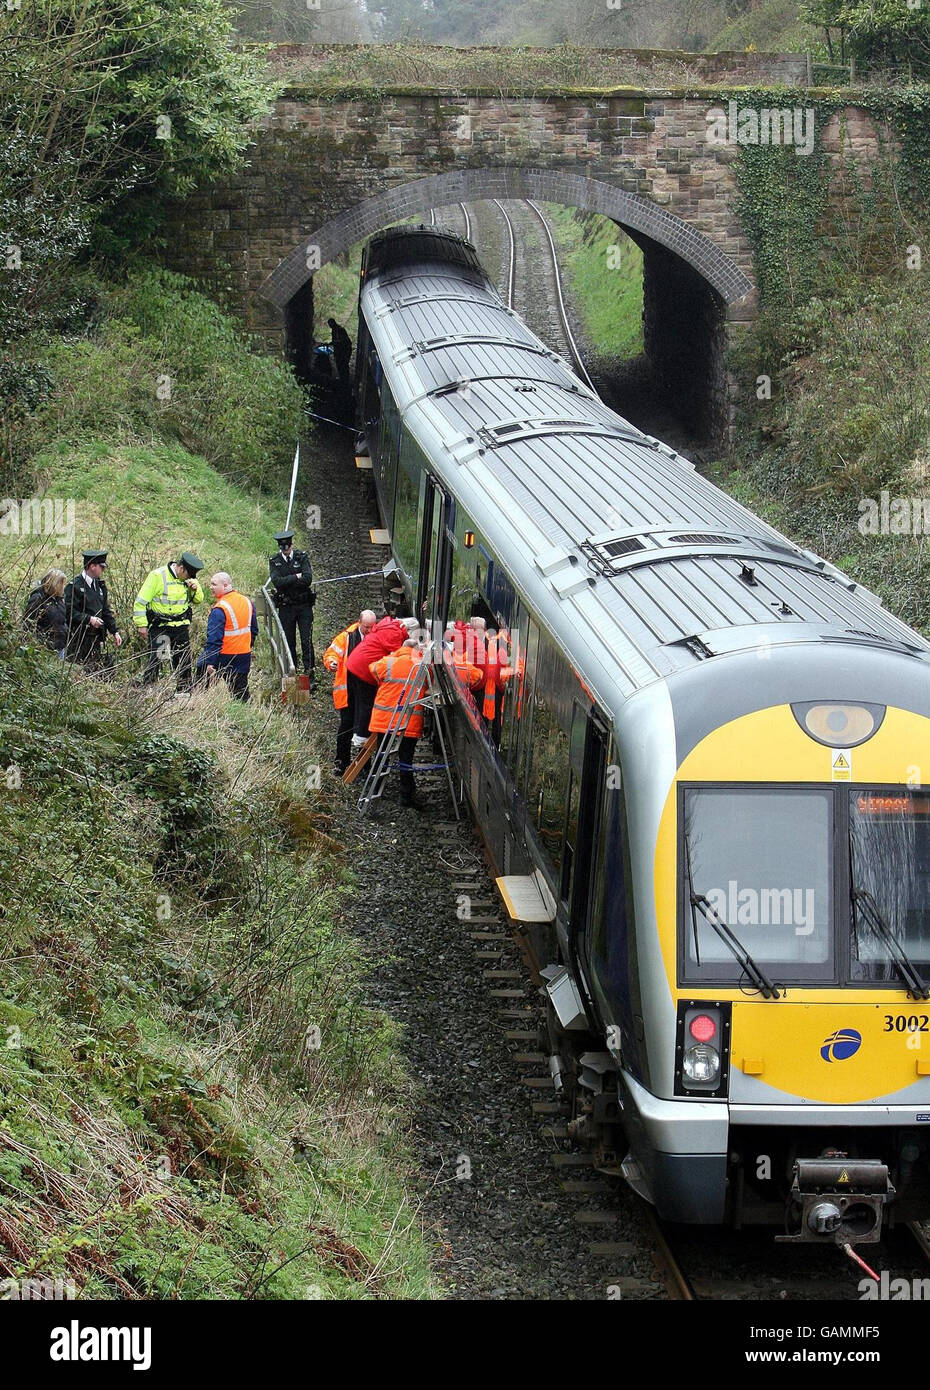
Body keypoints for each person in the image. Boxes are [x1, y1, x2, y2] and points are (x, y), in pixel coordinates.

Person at [369, 632, 429, 809]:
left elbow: (373, 669)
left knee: (382, 755)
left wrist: (393, 655)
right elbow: (428, 681)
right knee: (406, 759)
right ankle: (406, 795)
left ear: (401, 648)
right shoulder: (421, 666)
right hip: (409, 721)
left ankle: (376, 788)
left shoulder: (388, 662)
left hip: (384, 720)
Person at [132, 552, 205, 692]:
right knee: (157, 659)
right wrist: (141, 625)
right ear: (181, 568)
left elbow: (198, 600)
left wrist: (194, 591)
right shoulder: (157, 576)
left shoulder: (190, 579)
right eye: (188, 575)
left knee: (183, 660)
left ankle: (184, 692)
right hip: (161, 626)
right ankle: (149, 691)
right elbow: (140, 602)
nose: (190, 578)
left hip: (180, 626)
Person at [345, 613, 416, 754]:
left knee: (361, 703)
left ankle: (359, 733)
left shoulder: (388, 627)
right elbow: (399, 656)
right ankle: (362, 736)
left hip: (355, 664)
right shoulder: (395, 634)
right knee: (367, 703)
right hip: (363, 669)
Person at [323, 609, 377, 774]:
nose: (369, 630)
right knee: (346, 726)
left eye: (371, 627)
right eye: (366, 627)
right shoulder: (346, 637)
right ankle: (341, 762)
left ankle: (365, 764)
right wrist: (331, 663)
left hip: (367, 690)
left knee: (366, 727)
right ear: (359, 623)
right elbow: (331, 653)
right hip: (349, 690)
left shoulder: (376, 636)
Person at [196, 572, 258, 701]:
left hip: (224, 656)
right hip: (243, 654)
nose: (210, 587)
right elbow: (254, 629)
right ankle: (244, 714)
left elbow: (214, 639)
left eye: (213, 584)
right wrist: (247, 646)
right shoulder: (247, 601)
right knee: (240, 693)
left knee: (201, 682)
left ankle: (198, 705)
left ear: (225, 585)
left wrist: (210, 662)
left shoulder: (220, 608)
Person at [269, 530, 316, 688]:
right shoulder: (275, 561)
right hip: (286, 606)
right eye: (283, 549)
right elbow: (277, 582)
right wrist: (296, 577)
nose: (286, 550)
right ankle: (292, 673)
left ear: (292, 545)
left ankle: (310, 674)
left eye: (287, 548)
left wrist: (287, 581)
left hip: (303, 605)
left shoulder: (301, 557)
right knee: (289, 641)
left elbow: (308, 579)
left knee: (306, 640)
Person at [64, 550, 123, 669]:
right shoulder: (74, 587)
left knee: (102, 668)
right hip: (79, 637)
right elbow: (69, 612)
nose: (103, 570)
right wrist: (89, 619)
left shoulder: (99, 585)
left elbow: (105, 610)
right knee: (80, 668)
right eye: (101, 567)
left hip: (97, 637)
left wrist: (114, 631)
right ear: (92, 566)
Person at [23, 568, 68, 654]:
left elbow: (62, 620)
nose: (63, 586)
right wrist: (38, 642)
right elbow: (28, 622)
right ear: (54, 584)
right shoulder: (38, 598)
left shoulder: (59, 600)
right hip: (44, 647)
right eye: (61, 583)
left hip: (60, 645)